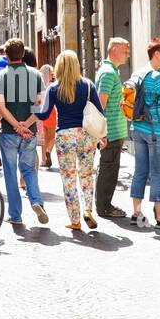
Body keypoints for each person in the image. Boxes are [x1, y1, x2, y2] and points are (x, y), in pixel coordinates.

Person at [34, 50, 104, 231]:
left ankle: (75, 220)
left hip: (65, 136)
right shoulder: (88, 85)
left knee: (69, 179)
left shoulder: (54, 88)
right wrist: (102, 136)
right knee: (87, 175)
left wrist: (33, 106)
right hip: (87, 135)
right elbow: (99, 112)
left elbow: (44, 114)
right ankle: (88, 210)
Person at [0, 38, 48, 226]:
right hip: (29, 132)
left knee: (10, 172)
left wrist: (16, 125)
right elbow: (40, 106)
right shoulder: (36, 75)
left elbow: (0, 106)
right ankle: (36, 201)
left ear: (6, 56)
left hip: (9, 131)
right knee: (29, 170)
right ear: (23, 53)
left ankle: (15, 215)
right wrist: (27, 124)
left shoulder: (0, 76)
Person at [128, 38, 160, 228]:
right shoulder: (158, 78)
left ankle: (136, 213)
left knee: (140, 170)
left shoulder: (138, 73)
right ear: (156, 54)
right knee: (158, 172)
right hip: (157, 131)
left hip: (138, 128)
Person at [94, 37, 131, 217]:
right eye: (125, 51)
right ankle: (104, 207)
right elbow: (101, 104)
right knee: (108, 170)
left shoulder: (111, 71)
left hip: (114, 130)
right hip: (111, 132)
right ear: (114, 50)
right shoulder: (108, 72)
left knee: (110, 170)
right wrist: (102, 132)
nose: (128, 55)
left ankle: (104, 205)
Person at [37, 61, 57, 169]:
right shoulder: (52, 86)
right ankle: (49, 151)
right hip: (51, 112)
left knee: (44, 137)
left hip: (41, 113)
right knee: (52, 137)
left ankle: (43, 160)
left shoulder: (39, 86)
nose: (53, 75)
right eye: (51, 73)